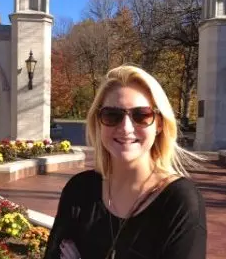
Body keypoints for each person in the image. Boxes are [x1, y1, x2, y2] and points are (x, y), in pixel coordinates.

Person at [44, 65, 206, 259]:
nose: (126, 128)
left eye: (142, 115)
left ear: (160, 124)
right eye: (112, 115)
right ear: (98, 122)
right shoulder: (79, 190)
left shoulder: (180, 202)